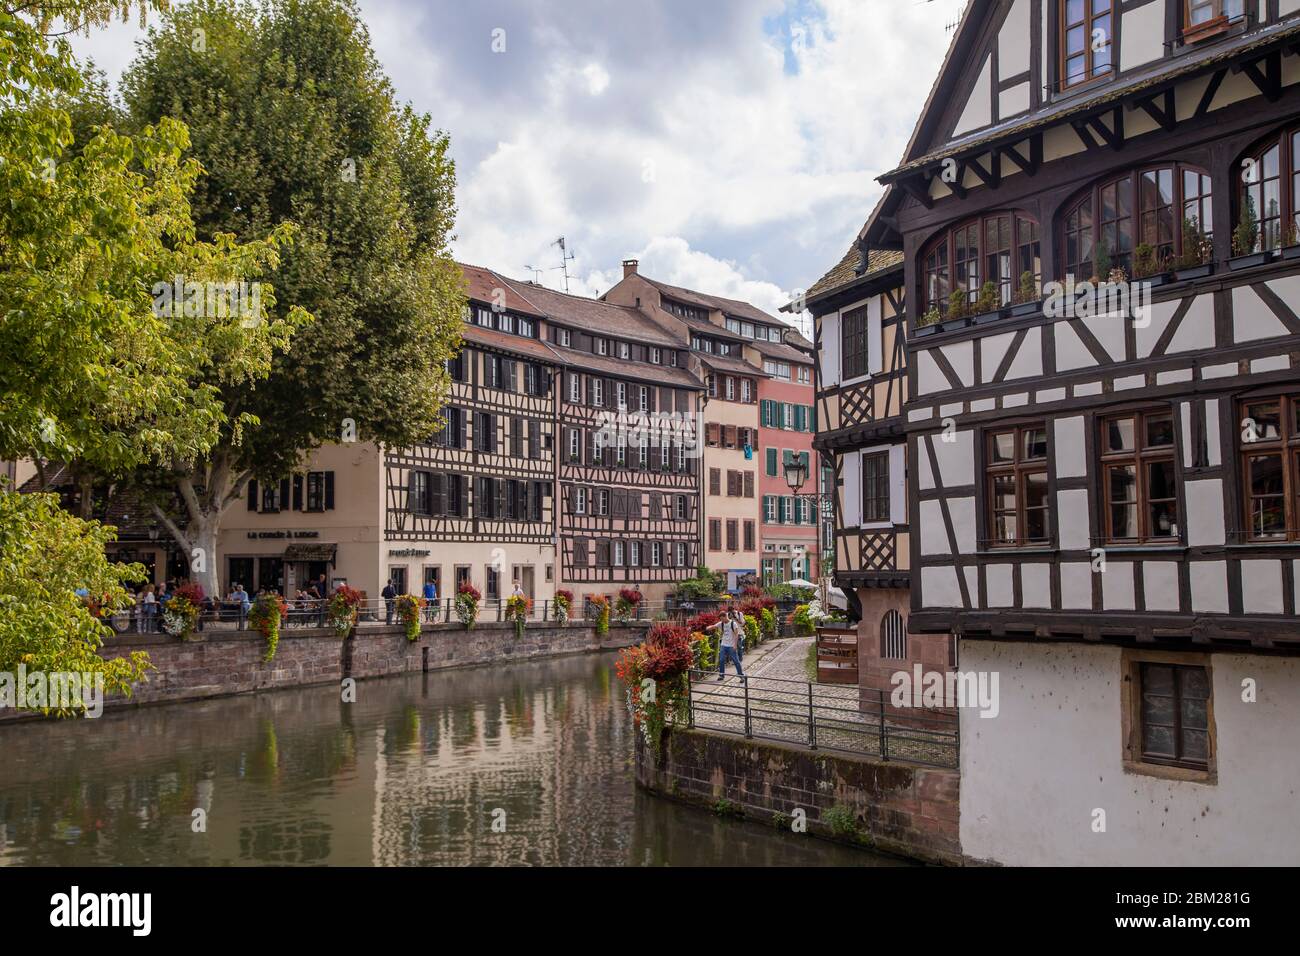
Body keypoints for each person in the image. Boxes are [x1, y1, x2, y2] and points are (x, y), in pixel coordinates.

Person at [707, 610, 745, 681]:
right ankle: (721, 675)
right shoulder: (721, 623)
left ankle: (741, 676)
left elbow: (736, 634)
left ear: (725, 616)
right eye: (720, 619)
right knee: (721, 660)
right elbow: (714, 626)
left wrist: (735, 645)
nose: (721, 620)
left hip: (731, 645)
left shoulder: (733, 624)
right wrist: (708, 627)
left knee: (736, 661)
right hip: (723, 645)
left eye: (722, 619)